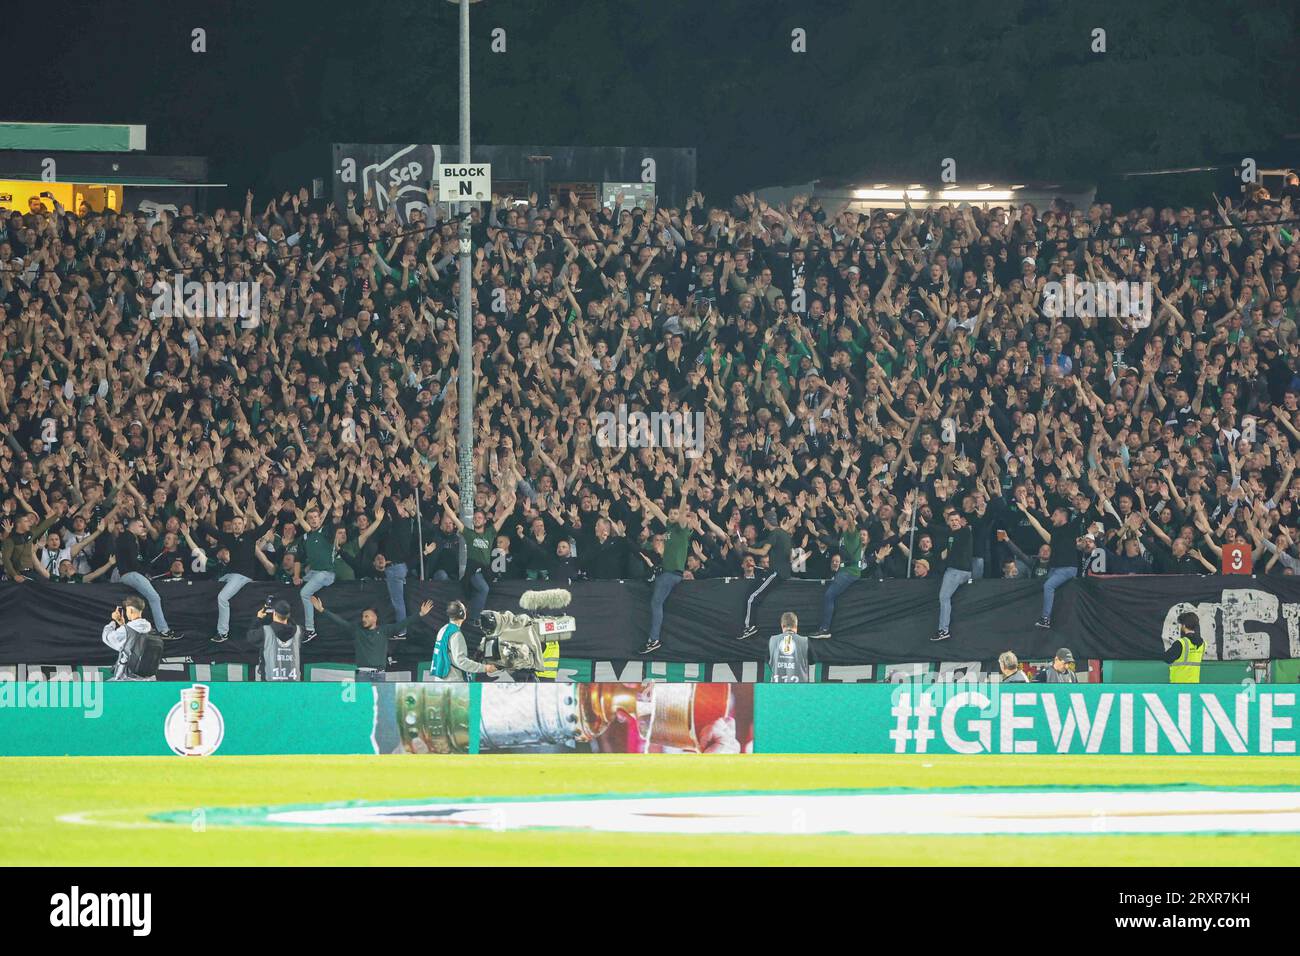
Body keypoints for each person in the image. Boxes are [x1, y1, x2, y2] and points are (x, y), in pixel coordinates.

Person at [186, 502, 280, 643]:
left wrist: (274, 513)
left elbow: (265, 527)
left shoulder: (250, 536)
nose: (236, 526)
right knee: (212, 588)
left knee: (222, 598)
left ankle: (223, 633)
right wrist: (195, 517)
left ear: (243, 525)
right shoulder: (228, 537)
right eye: (234, 524)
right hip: (229, 575)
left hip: (243, 575)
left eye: (239, 523)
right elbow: (211, 531)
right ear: (232, 526)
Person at [633, 485, 697, 655]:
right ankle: (653, 639)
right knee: (656, 601)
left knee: (656, 603)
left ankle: (653, 640)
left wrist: (683, 496)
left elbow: (683, 515)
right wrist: (644, 498)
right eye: (671, 513)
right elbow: (657, 511)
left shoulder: (682, 529)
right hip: (668, 572)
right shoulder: (669, 527)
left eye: (675, 513)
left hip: (672, 574)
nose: (672, 515)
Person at [310, 594, 434, 682]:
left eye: (367, 616)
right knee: (363, 705)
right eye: (363, 616)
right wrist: (322, 610)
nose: (364, 619)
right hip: (362, 674)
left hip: (380, 675)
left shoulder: (385, 630)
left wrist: (420, 614)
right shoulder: (357, 631)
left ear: (375, 618)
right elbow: (340, 622)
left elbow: (403, 624)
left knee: (379, 706)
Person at [1019, 505, 1086, 629]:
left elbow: (1077, 521)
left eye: (1055, 515)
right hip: (1055, 569)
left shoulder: (1070, 529)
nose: (1052, 518)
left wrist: (1082, 511)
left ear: (1063, 516)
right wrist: (1027, 508)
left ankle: (1045, 619)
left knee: (1048, 586)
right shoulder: (1055, 532)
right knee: (1044, 584)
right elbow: (1039, 522)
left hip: (1068, 568)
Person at [114, 517, 178, 639]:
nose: (142, 528)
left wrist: (143, 541)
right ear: (131, 526)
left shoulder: (131, 538)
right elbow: (133, 561)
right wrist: (144, 574)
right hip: (130, 573)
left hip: (130, 573)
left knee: (151, 597)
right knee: (154, 597)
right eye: (140, 525)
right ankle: (163, 630)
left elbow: (142, 558)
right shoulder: (127, 537)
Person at [811, 514, 868, 640]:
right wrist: (816, 533)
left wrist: (848, 514)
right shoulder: (843, 535)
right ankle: (824, 628)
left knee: (829, 595)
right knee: (830, 595)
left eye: (840, 519)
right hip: (845, 570)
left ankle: (825, 629)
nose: (837, 520)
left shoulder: (851, 533)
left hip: (850, 571)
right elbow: (831, 542)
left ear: (846, 521)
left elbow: (852, 524)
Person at [740, 510, 793, 641]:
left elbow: (764, 551)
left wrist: (747, 549)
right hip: (784, 572)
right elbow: (790, 556)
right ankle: (751, 626)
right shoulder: (784, 534)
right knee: (755, 596)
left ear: (765, 521)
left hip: (776, 572)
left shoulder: (774, 533)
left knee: (752, 597)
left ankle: (749, 627)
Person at [295, 502, 338, 643]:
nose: (314, 520)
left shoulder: (326, 532)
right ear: (307, 521)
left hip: (326, 573)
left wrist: (334, 512)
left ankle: (310, 629)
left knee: (304, 593)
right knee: (296, 585)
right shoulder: (306, 537)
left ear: (320, 519)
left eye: (316, 517)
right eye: (311, 518)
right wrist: (296, 575)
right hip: (314, 572)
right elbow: (298, 558)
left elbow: (335, 523)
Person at [430, 600, 497, 682]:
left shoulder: (444, 629)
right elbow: (461, 661)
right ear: (462, 614)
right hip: (453, 682)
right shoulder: (456, 634)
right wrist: (485, 668)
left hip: (441, 679)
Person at [101, 595, 161, 681]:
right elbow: (133, 640)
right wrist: (122, 624)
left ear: (131, 610)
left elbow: (107, 637)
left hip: (127, 679)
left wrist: (113, 622)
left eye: (127, 610)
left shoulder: (126, 630)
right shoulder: (150, 629)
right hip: (147, 679)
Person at [934, 507, 972, 641]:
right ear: (948, 522)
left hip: (957, 570)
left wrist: (946, 555)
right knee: (945, 597)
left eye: (957, 520)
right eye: (952, 520)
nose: (955, 522)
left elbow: (955, 551)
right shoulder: (950, 534)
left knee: (944, 597)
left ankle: (943, 630)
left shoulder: (965, 531)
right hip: (956, 570)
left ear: (961, 521)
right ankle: (943, 630)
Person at [246, 599, 303, 682]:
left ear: (274, 614)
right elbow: (293, 624)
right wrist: (287, 617)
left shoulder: (265, 631)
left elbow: (250, 636)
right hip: (293, 686)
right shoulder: (299, 631)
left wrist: (258, 618)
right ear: (288, 615)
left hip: (270, 684)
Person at [769, 611, 810, 683]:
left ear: (782, 625)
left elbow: (768, 660)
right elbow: (812, 660)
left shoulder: (772, 640)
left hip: (776, 689)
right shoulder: (805, 641)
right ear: (796, 625)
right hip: (799, 689)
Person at [1165, 611, 1205, 683]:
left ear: (1183, 625)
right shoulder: (1203, 644)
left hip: (1178, 684)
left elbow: (1167, 659)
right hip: (1195, 683)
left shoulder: (1180, 643)